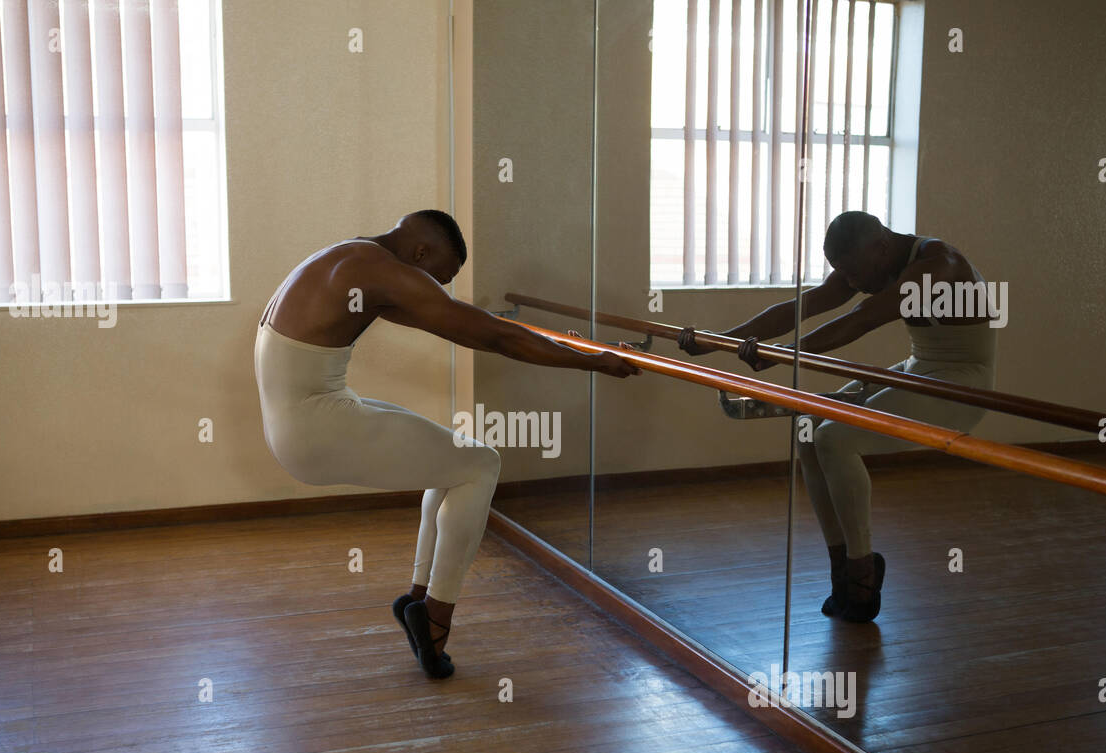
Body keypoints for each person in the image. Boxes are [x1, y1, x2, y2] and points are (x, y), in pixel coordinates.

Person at [255, 210, 641, 677]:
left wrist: (570, 346)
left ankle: (417, 601)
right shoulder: (375, 270)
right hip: (316, 425)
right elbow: (493, 336)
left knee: (452, 457)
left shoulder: (349, 256)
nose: (437, 287)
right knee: (481, 465)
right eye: (440, 277)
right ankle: (437, 619)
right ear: (420, 252)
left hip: (305, 417)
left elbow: (469, 322)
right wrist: (593, 362)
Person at [678, 211, 997, 622]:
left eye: (854, 273)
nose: (853, 283)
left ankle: (862, 571)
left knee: (834, 438)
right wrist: (717, 342)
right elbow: (802, 306)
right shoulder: (867, 262)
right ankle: (842, 563)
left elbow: (859, 320)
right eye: (841, 273)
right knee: (809, 429)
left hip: (961, 382)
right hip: (921, 368)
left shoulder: (939, 265)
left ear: (881, 247)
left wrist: (785, 356)